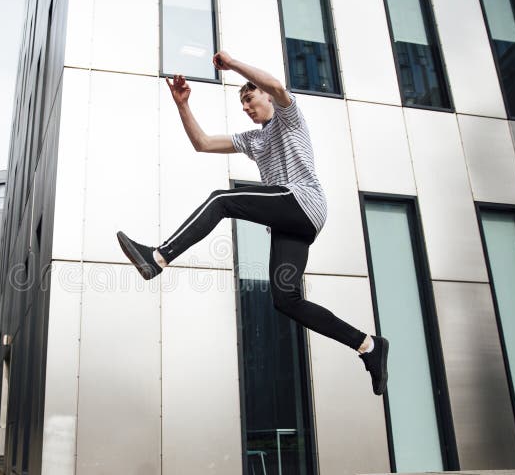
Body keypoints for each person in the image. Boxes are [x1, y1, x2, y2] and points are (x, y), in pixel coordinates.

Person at [116, 51, 389, 395]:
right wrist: (182, 104)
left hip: (302, 200)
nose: (246, 107)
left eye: (250, 98)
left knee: (221, 200)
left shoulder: (289, 118)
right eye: (242, 103)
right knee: (285, 299)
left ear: (265, 96)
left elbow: (275, 84)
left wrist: (231, 65)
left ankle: (158, 257)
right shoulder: (252, 140)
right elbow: (202, 143)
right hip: (294, 224)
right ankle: (368, 346)